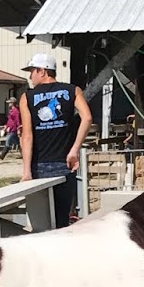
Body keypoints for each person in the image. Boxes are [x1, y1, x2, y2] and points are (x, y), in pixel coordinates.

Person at [19, 52, 91, 229]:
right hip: (65, 162)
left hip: (39, 164)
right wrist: (75, 149)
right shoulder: (72, 90)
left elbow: (27, 135)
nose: (30, 76)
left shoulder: (26, 97)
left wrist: (26, 171)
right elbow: (87, 118)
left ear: (42, 71)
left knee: (40, 222)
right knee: (62, 219)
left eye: (32, 71)